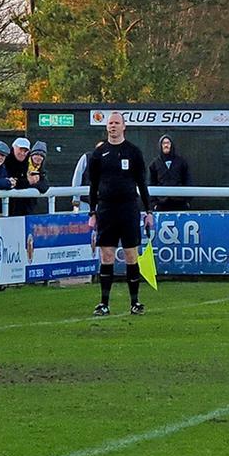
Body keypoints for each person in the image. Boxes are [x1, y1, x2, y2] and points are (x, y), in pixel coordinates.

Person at [86, 111, 153, 316]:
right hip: (106, 209)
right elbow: (93, 184)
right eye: (110, 123)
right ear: (106, 127)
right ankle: (104, 303)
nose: (113, 126)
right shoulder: (99, 153)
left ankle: (135, 302)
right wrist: (92, 211)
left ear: (124, 126)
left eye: (117, 123)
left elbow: (142, 183)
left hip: (128, 208)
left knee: (131, 254)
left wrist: (148, 210)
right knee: (107, 254)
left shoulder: (133, 152)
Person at [151, 134, 192, 210]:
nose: (166, 145)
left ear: (171, 145)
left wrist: (187, 201)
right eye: (163, 143)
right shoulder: (154, 164)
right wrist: (154, 203)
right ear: (160, 146)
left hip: (179, 202)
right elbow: (151, 183)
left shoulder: (181, 162)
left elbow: (187, 180)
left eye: (168, 143)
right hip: (161, 203)